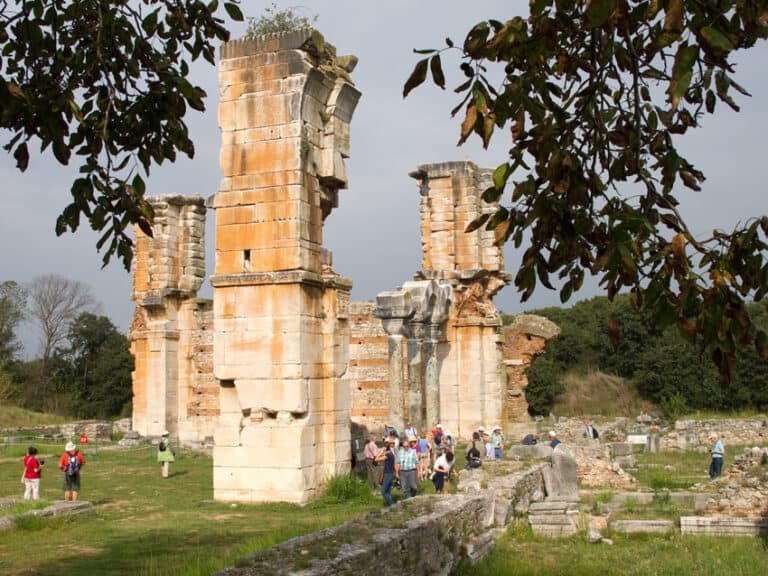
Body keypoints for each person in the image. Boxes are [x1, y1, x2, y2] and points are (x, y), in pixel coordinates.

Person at [375, 441, 395, 506]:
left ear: (385, 448)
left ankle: (392, 504)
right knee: (388, 492)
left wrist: (381, 451)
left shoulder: (387, 455)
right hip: (390, 473)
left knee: (383, 492)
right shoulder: (390, 453)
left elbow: (376, 459)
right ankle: (390, 505)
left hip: (388, 474)